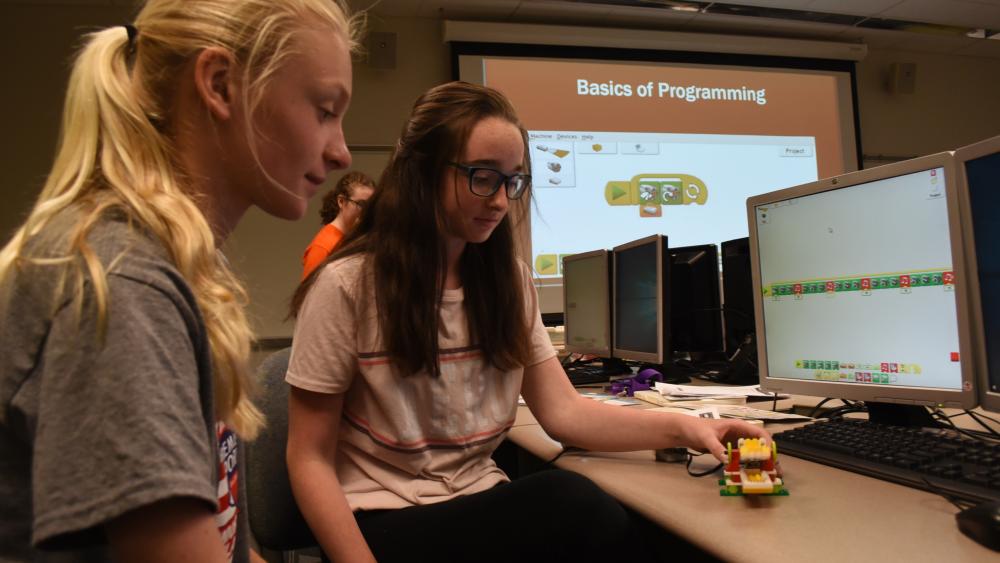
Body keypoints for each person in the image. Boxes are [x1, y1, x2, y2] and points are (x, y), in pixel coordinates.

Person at [285, 81, 770, 563]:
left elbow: (565, 415)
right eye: (483, 177)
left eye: (512, 181)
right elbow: (308, 459)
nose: (500, 200)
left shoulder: (508, 282)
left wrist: (691, 428)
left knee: (633, 521)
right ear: (422, 170)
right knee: (576, 505)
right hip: (382, 520)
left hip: (476, 500)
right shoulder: (346, 286)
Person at [0, 1, 360, 561]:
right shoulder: (123, 282)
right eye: (324, 111)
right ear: (219, 85)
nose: (341, 152)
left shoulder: (180, 267)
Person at [301, 171, 376, 280]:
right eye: (361, 204)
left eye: (370, 206)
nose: (366, 212)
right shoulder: (322, 247)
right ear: (341, 201)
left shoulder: (358, 239)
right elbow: (310, 290)